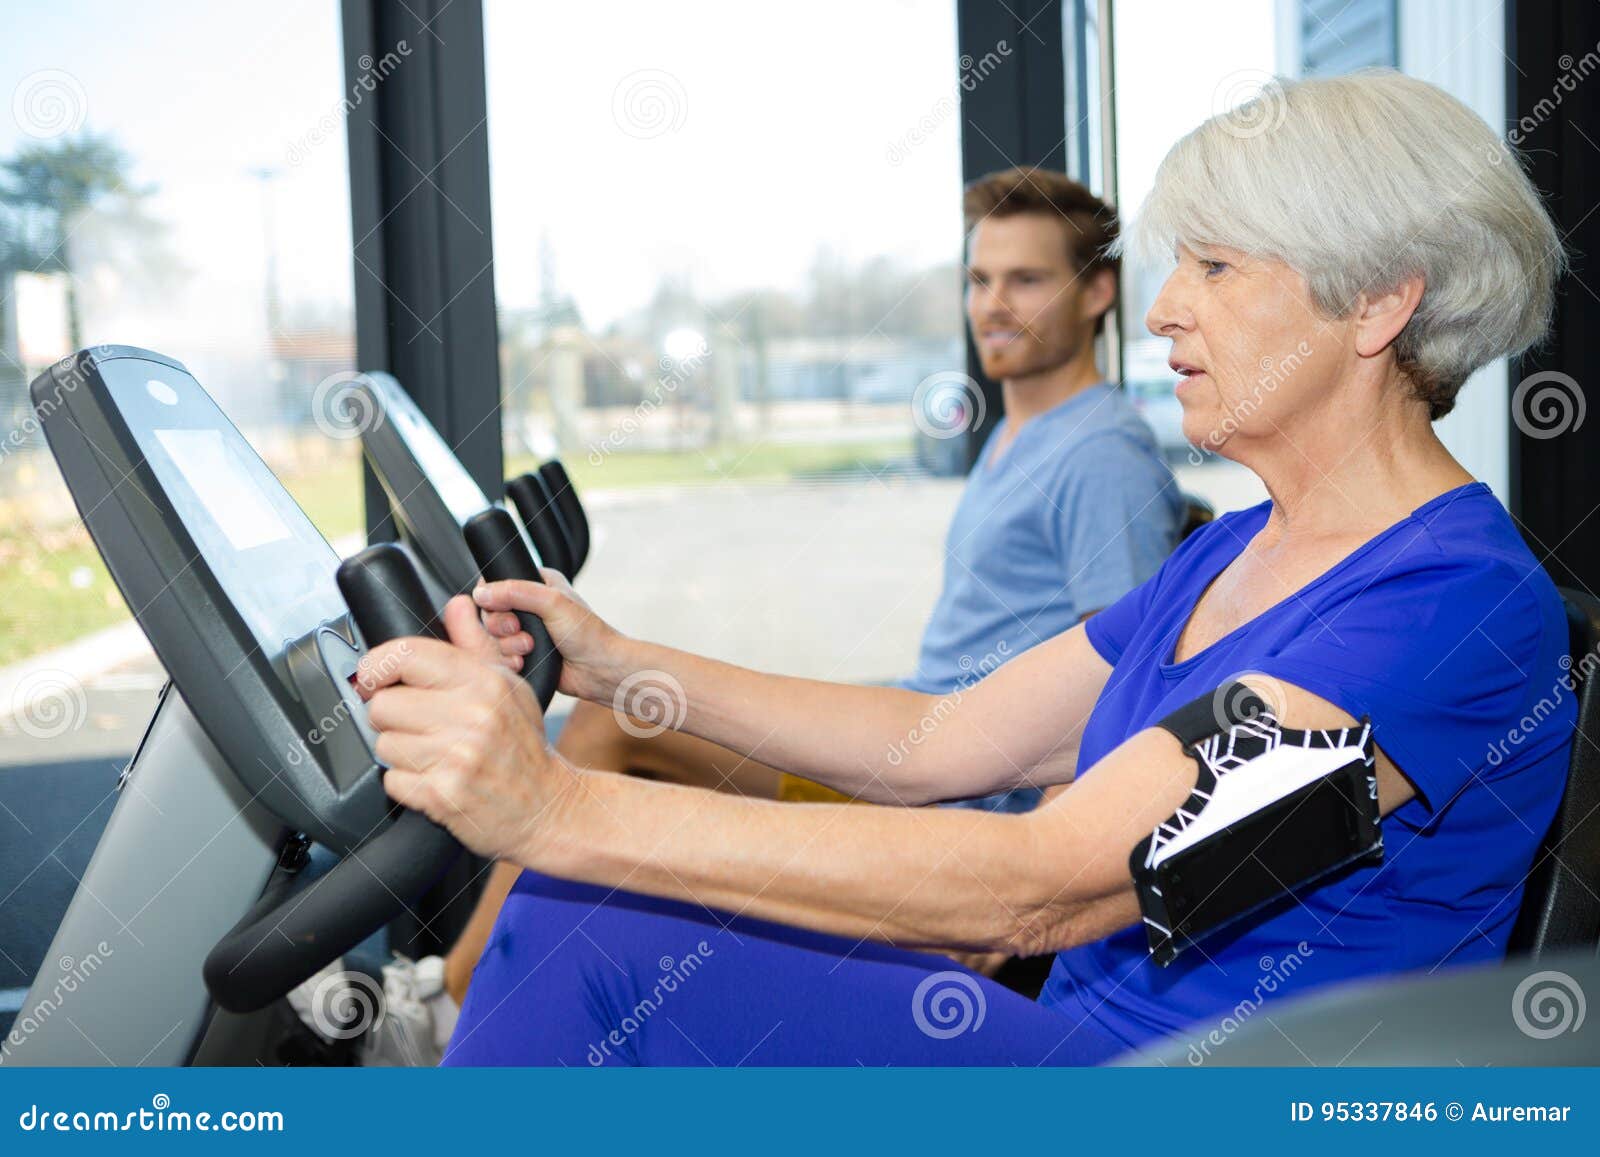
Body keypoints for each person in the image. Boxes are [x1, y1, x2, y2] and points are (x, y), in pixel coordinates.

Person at [358, 70, 1573, 1066]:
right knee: (581, 911)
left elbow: (1049, 886)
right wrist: (616, 665)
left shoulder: (1447, 608)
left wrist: (556, 807)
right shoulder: (1233, 552)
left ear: (1375, 306)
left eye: (1214, 266)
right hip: (1071, 1046)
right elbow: (936, 742)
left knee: (583, 925)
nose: (1160, 310)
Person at [427, 167, 1184, 1011]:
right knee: (620, 716)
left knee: (610, 725)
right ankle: (491, 1000)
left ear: (1097, 292)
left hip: (952, 801)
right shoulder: (1021, 431)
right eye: (979, 279)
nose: (993, 304)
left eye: (1027, 280)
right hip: (915, 746)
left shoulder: (1101, 455)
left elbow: (1126, 694)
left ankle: (448, 1009)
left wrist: (1023, 882)